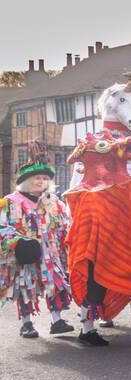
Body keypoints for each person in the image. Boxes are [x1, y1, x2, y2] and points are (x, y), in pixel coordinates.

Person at [64, 83, 131, 346]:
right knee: (94, 280)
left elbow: (128, 146)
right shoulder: (91, 149)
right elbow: (120, 144)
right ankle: (87, 329)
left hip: (119, 218)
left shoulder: (112, 148)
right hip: (95, 225)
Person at [0, 144, 74, 338]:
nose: (41, 182)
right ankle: (26, 324)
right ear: (25, 181)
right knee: (26, 287)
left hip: (51, 253)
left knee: (56, 283)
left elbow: (64, 224)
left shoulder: (53, 201)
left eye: (44, 178)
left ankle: (57, 321)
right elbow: (2, 227)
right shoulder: (10, 201)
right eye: (36, 178)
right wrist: (18, 241)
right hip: (26, 253)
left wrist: (67, 239)